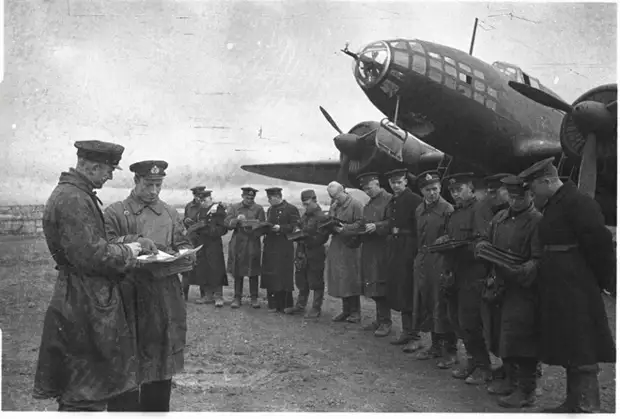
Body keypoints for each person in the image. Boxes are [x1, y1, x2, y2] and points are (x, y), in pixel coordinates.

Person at [33, 140, 145, 412]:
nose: (110, 176)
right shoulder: (74, 198)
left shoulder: (74, 193)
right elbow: (91, 256)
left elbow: (88, 243)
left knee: (84, 380)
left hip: (80, 294)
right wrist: (128, 251)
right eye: (109, 170)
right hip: (86, 300)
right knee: (87, 386)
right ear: (94, 166)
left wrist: (124, 243)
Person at [518, 157, 616, 413]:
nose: (531, 193)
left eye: (534, 187)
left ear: (548, 180)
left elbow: (601, 244)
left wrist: (605, 281)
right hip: (560, 284)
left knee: (581, 341)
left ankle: (587, 403)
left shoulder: (579, 203)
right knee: (568, 340)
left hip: (576, 286)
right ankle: (574, 401)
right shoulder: (557, 204)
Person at [103, 160, 194, 412]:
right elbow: (104, 247)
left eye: (159, 185)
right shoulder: (115, 212)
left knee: (160, 360)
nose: (154, 191)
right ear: (136, 181)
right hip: (128, 295)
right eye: (149, 184)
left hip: (163, 296)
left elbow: (183, 242)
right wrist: (134, 241)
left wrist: (186, 253)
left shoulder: (169, 212)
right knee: (126, 360)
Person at [477, 175, 542, 408]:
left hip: (523, 290)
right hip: (499, 286)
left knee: (521, 338)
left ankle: (526, 390)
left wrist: (520, 271)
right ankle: (510, 380)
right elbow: (486, 238)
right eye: (511, 197)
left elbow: (539, 259)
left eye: (520, 197)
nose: (515, 202)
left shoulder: (536, 221)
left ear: (531, 195)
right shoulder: (500, 217)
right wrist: (482, 246)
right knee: (501, 335)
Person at [436, 172, 494, 385]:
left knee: (470, 322)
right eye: (451, 191)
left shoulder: (479, 210)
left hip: (473, 273)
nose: (455, 194)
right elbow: (451, 237)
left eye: (459, 189)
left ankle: (484, 366)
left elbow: (483, 243)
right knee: (456, 320)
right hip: (455, 273)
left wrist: (457, 246)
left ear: (470, 188)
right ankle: (472, 361)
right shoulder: (454, 213)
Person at [407, 170, 457, 367]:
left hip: (440, 262)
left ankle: (451, 351)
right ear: (421, 191)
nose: (432, 193)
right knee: (427, 303)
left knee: (442, 305)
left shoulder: (448, 209)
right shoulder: (419, 210)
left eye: (435, 189)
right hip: (423, 262)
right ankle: (436, 346)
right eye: (428, 190)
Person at [382, 169, 423, 346]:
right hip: (396, 248)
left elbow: (419, 227)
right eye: (393, 183)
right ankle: (407, 330)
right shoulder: (393, 200)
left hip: (409, 247)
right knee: (400, 288)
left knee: (408, 289)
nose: (396, 185)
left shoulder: (414, 199)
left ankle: (413, 333)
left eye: (399, 182)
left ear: (406, 182)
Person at [356, 173, 393, 337]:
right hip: (370, 250)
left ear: (377, 184)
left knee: (382, 284)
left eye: (369, 188)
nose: (367, 192)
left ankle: (386, 322)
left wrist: (376, 226)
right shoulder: (369, 204)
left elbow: (393, 222)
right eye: (364, 189)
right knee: (373, 285)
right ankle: (380, 319)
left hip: (384, 249)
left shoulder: (390, 200)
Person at [285, 189, 330, 317]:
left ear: (315, 200)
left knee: (316, 281)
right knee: (302, 280)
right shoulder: (306, 215)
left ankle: (316, 308)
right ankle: (300, 305)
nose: (305, 206)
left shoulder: (322, 216)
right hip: (302, 252)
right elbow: (298, 225)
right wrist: (297, 230)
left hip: (315, 252)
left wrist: (306, 237)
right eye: (303, 204)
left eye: (307, 203)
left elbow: (323, 238)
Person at [324, 181, 364, 323]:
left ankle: (356, 312)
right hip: (338, 244)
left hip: (351, 246)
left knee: (351, 278)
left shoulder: (356, 204)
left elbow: (361, 224)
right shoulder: (334, 205)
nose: (334, 199)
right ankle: (346, 310)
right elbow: (330, 219)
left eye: (335, 196)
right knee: (340, 278)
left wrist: (345, 228)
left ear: (344, 191)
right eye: (331, 197)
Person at [261, 187, 301, 313]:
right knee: (271, 274)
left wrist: (281, 228)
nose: (268, 201)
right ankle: (273, 304)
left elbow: (296, 227)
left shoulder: (291, 209)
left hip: (284, 246)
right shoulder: (270, 210)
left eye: (270, 198)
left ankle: (286, 304)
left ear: (277, 197)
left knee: (284, 275)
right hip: (271, 245)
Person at [186, 190, 228, 308]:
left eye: (205, 200)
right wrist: (194, 225)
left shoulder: (218, 209)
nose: (203, 202)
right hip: (202, 242)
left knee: (216, 267)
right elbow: (198, 223)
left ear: (210, 198)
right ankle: (207, 295)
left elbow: (223, 228)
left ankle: (219, 295)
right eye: (201, 200)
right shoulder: (200, 210)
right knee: (204, 267)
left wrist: (210, 230)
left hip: (214, 243)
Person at [225, 187, 265, 309]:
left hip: (253, 242)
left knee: (253, 271)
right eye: (247, 197)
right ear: (242, 196)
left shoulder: (259, 209)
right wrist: (236, 220)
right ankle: (237, 297)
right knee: (238, 271)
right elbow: (227, 224)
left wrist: (255, 226)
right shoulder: (235, 207)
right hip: (238, 242)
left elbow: (263, 226)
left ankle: (254, 298)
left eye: (252, 198)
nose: (249, 200)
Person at [181, 186, 209, 303]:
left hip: (203, 239)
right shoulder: (189, 206)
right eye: (197, 196)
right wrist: (186, 221)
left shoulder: (207, 206)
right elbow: (184, 220)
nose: (199, 198)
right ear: (194, 195)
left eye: (201, 196)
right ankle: (184, 295)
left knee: (202, 267)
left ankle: (203, 294)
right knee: (187, 267)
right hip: (191, 240)